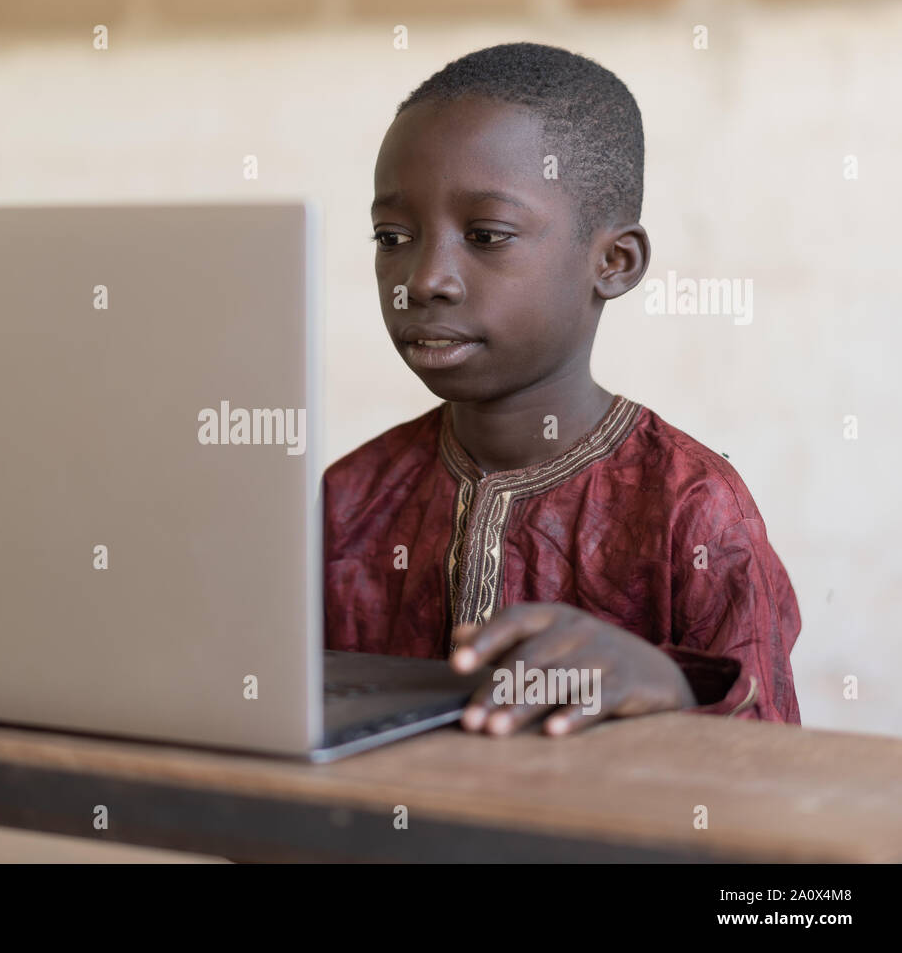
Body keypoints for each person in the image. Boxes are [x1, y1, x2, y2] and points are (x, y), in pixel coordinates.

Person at [324, 42, 800, 735]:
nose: (425, 278)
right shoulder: (350, 499)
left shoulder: (692, 509)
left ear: (613, 261)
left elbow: (771, 773)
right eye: (393, 235)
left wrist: (671, 684)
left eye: (486, 235)